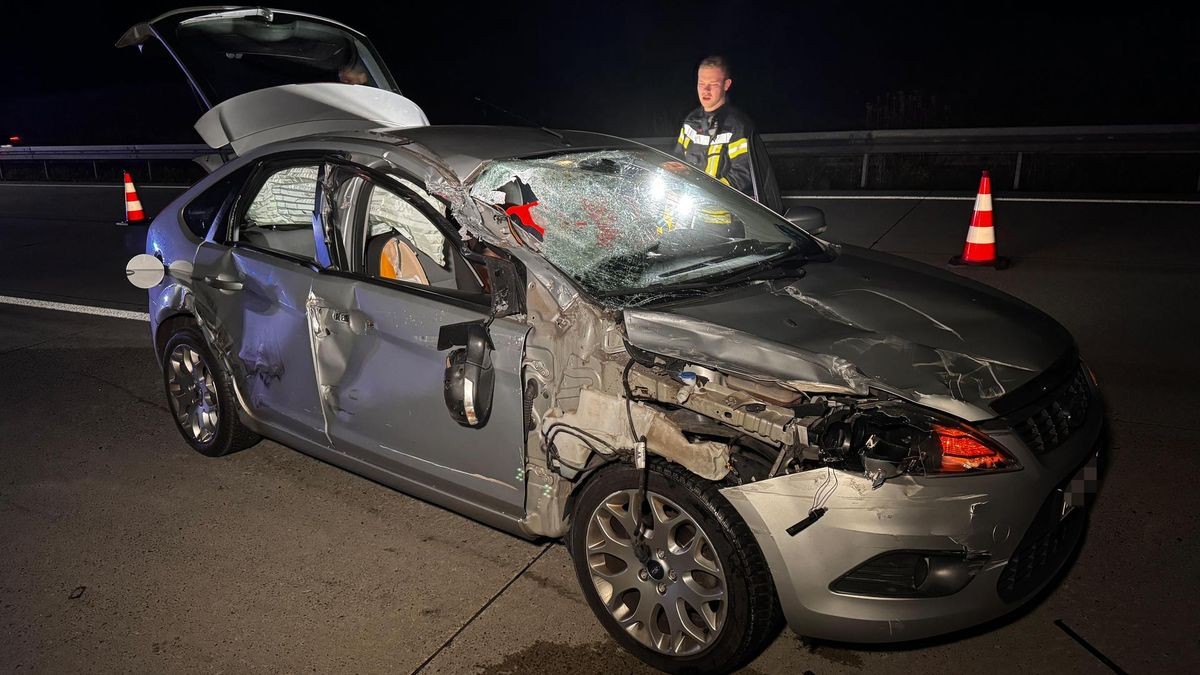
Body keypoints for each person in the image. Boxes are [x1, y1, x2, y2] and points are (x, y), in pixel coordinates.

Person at [673, 56, 782, 214]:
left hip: (725, 220)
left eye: (713, 84)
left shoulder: (737, 125)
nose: (706, 90)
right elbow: (678, 158)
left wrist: (710, 193)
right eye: (701, 84)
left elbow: (743, 174)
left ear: (726, 85)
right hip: (689, 213)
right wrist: (672, 168)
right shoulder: (691, 121)